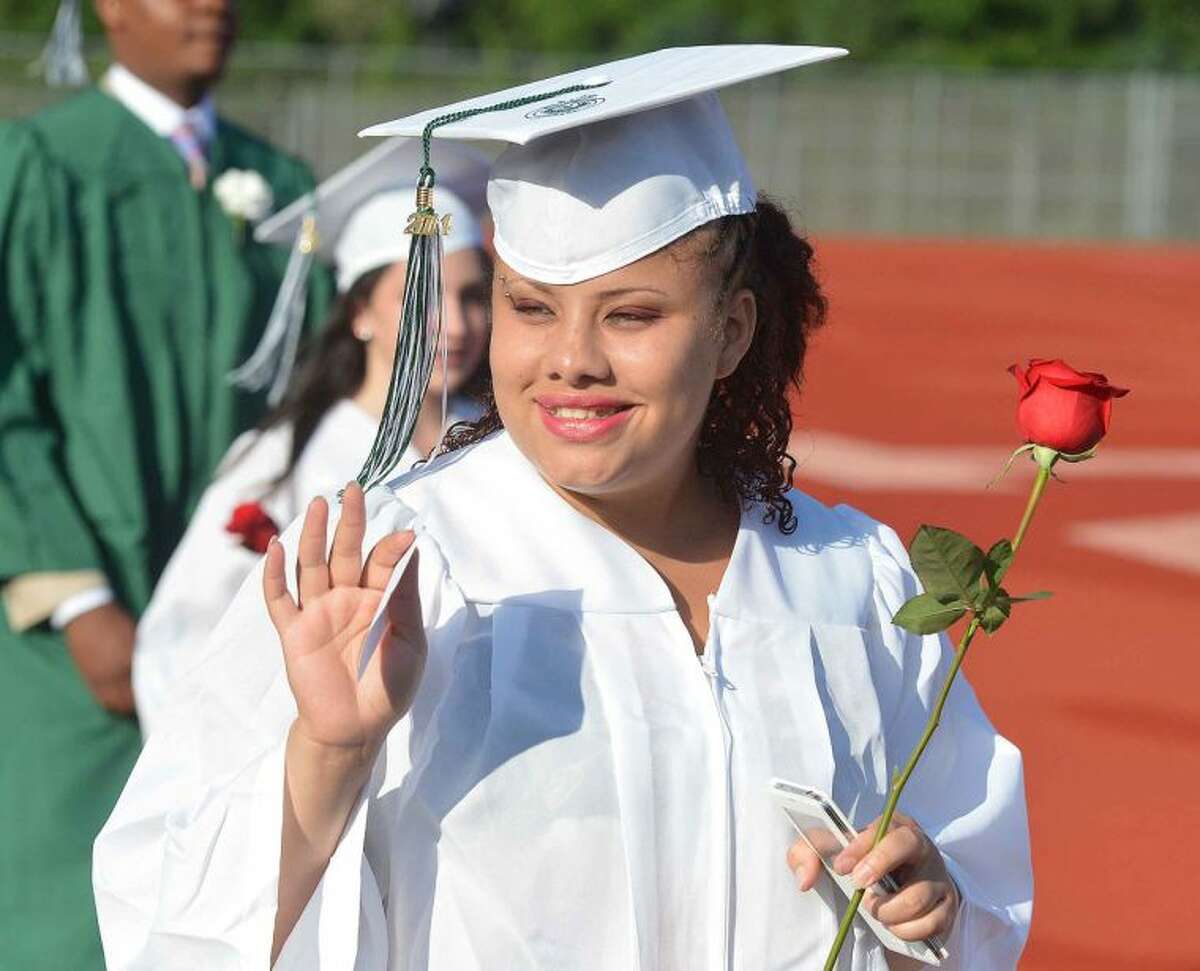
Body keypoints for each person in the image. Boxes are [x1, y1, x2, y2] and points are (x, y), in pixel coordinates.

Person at [95, 46, 1032, 970]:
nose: (571, 359)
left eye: (630, 315)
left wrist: (932, 905)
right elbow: (163, 925)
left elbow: (979, 896)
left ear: (732, 331)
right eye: (532, 308)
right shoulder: (395, 568)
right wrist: (328, 752)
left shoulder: (847, 581)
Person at [0, 1, 329, 967]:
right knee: (64, 919)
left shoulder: (282, 187)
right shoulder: (37, 167)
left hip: (240, 625)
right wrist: (78, 598)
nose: (212, 5)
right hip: (66, 640)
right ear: (104, 7)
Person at [133, 139, 492, 736]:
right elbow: (179, 642)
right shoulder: (283, 462)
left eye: (473, 297)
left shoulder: (498, 442)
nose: (455, 325)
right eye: (422, 297)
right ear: (360, 314)